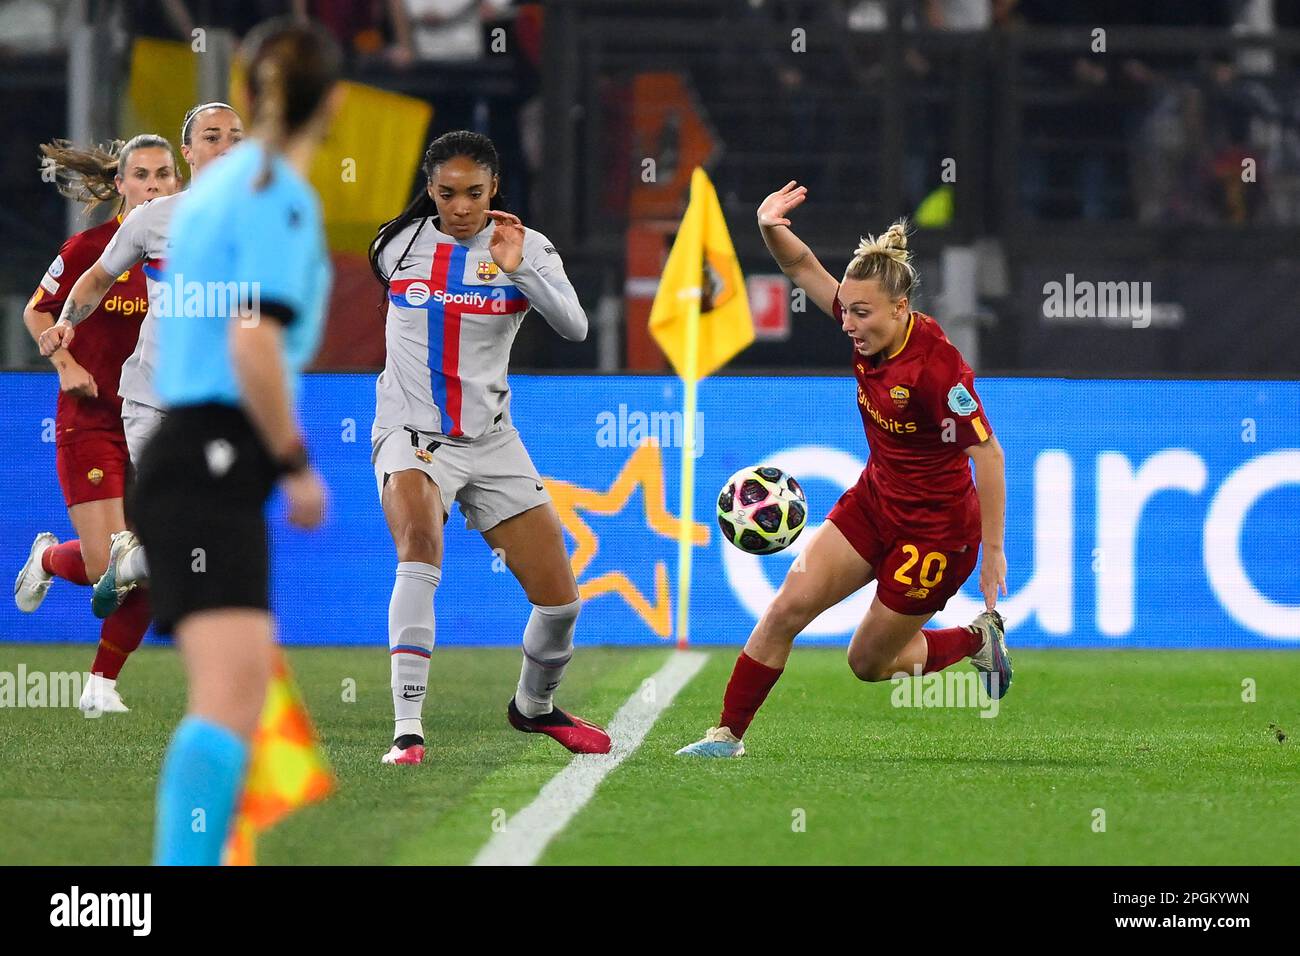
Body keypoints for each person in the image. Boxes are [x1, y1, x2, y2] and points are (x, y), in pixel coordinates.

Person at [678, 182, 1011, 758]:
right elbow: (803, 265)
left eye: (860, 313)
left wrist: (993, 550)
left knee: (868, 663)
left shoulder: (936, 370)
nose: (848, 324)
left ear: (900, 309)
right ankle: (725, 736)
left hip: (935, 532)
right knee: (786, 610)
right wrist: (767, 226)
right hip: (875, 503)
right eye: (846, 311)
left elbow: (988, 454)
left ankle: (975, 640)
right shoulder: (867, 329)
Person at [133, 16, 339, 865]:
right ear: (331, 102)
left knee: (238, 697)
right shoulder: (276, 195)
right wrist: (294, 463)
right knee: (226, 700)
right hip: (213, 456)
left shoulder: (217, 189)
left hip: (189, 457)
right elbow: (254, 340)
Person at [367, 130, 609, 765]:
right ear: (430, 189)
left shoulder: (528, 248)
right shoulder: (396, 245)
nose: (461, 207)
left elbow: (575, 327)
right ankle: (408, 731)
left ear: (494, 188)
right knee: (419, 547)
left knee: (560, 604)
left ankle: (534, 708)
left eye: (474, 193)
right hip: (413, 434)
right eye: (447, 193)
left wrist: (518, 266)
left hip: (494, 441)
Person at [38, 101, 245, 617]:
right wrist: (67, 322)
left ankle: (132, 561)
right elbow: (98, 279)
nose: (226, 146)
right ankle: (125, 560)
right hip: (152, 397)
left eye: (236, 137)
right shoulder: (156, 220)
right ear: (190, 152)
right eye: (213, 136)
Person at [14, 134, 179, 714]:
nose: (153, 185)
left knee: (151, 562)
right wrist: (65, 363)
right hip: (92, 421)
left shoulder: (188, 258)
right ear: (120, 185)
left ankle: (99, 688)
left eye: (164, 174)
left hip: (157, 424)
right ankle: (48, 559)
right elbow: (37, 309)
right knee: (104, 560)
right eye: (141, 175)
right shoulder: (93, 248)